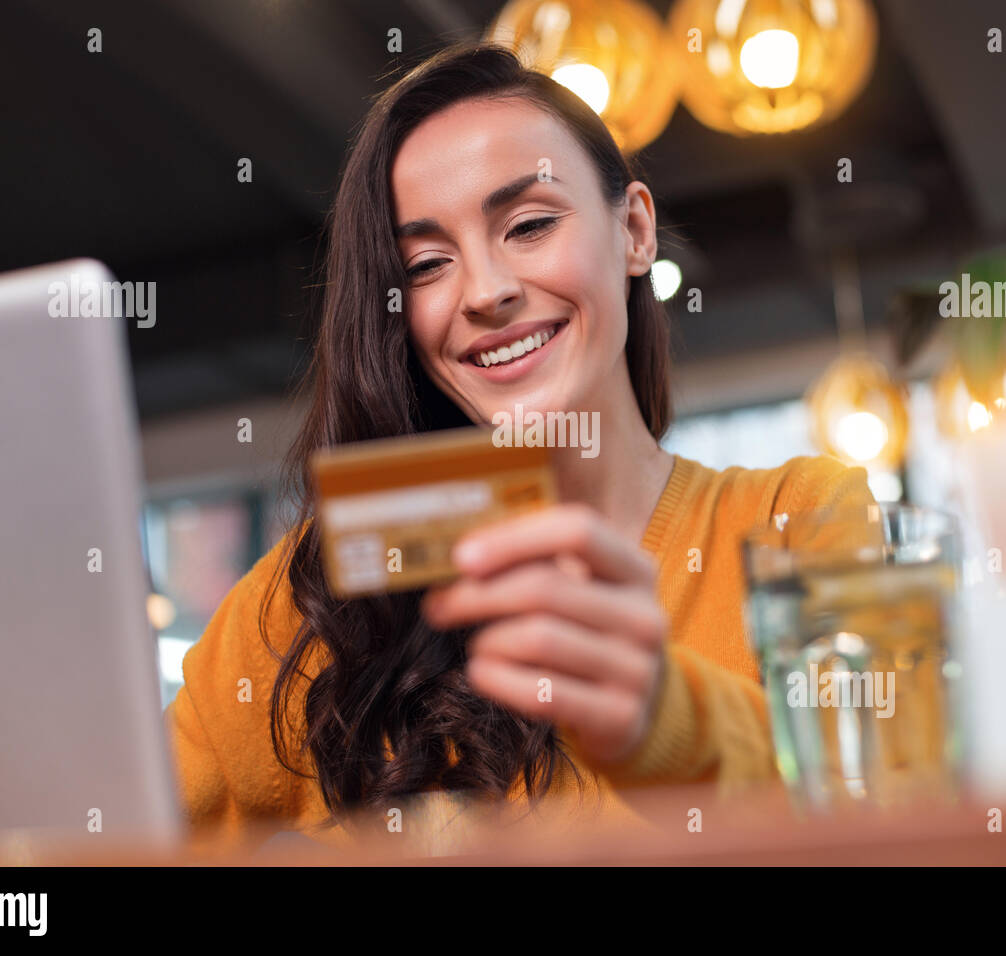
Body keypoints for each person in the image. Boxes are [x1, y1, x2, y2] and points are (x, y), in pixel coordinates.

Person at [165, 40, 874, 854]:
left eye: (530, 225)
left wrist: (664, 718)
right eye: (427, 264)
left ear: (635, 230)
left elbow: (880, 813)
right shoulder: (321, 591)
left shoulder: (796, 518)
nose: (486, 291)